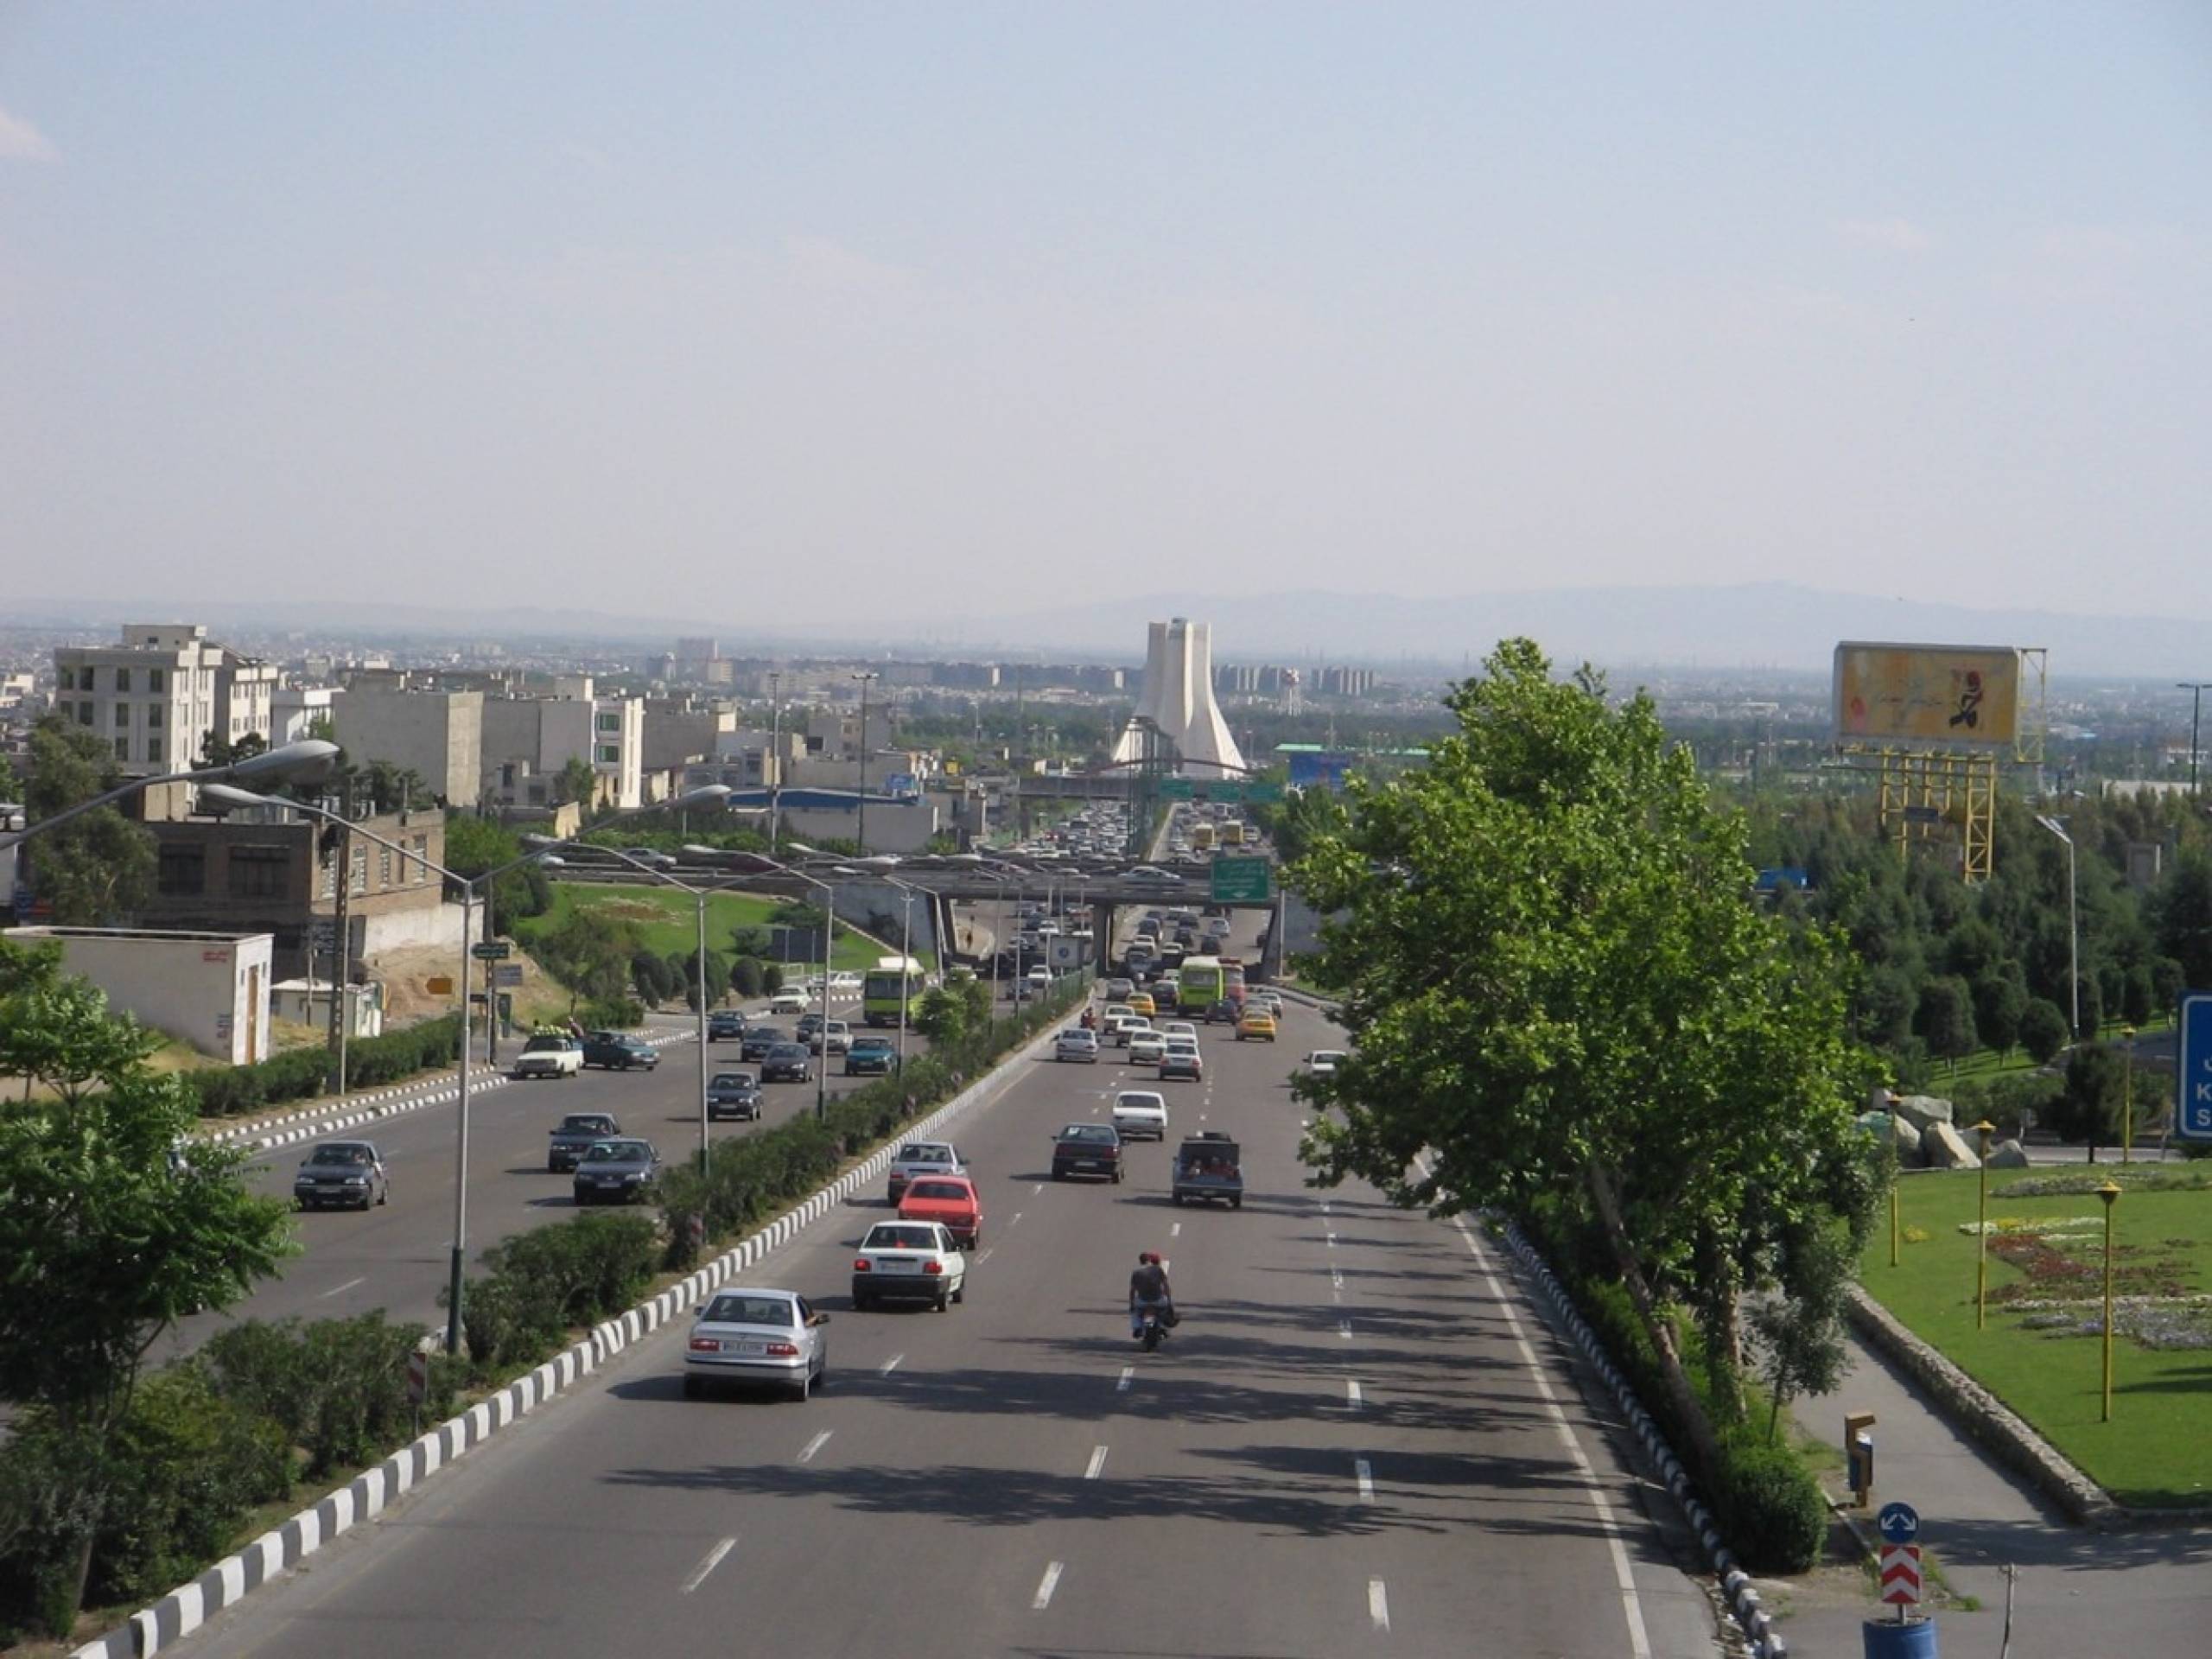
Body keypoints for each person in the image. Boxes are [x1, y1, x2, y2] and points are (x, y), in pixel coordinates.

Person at [1128, 1250, 1173, 1339]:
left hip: (1142, 1301)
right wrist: (1168, 1300)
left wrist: (1132, 1304)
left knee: (1135, 1312)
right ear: (1149, 1260)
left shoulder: (1136, 1273)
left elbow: (1132, 1291)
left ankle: (1137, 1327)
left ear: (1140, 1261)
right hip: (1158, 1300)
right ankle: (1162, 1327)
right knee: (1164, 1310)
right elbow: (1166, 1286)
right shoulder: (1157, 1269)